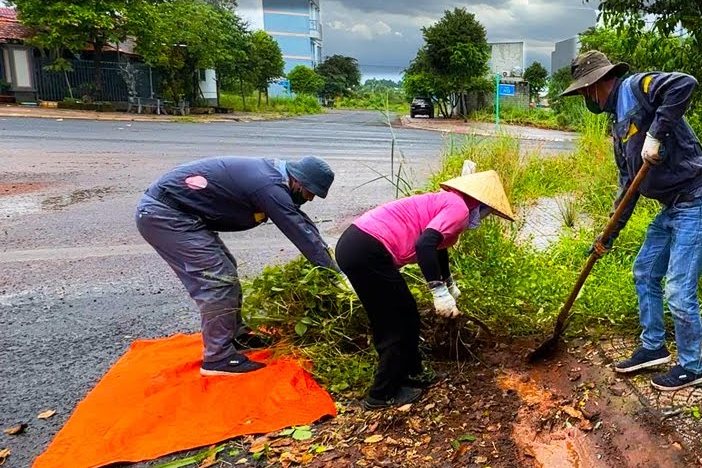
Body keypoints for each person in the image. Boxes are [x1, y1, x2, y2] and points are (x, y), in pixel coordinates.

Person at [560, 51, 702, 391]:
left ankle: (692, 367)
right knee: (645, 271)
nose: (585, 98)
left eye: (584, 91)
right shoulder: (618, 130)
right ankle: (653, 347)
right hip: (671, 207)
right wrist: (609, 235)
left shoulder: (638, 88)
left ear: (598, 83)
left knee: (678, 290)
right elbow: (628, 188)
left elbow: (684, 84)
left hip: (698, 201)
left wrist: (657, 133)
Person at [136, 156, 339, 376]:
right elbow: (298, 232)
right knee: (217, 281)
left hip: (183, 215)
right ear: (299, 182)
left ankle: (234, 335)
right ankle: (217, 359)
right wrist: (335, 274)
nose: (309, 199)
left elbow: (302, 222)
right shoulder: (268, 186)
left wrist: (329, 257)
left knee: (227, 269)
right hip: (166, 216)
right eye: (310, 193)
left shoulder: (276, 180)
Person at [335, 170, 514, 410]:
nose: (484, 216)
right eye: (487, 211)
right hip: (367, 251)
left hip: (360, 244)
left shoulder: (449, 201)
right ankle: (381, 395)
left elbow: (438, 247)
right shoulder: (458, 209)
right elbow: (424, 244)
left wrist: (449, 282)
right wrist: (438, 291)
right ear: (479, 203)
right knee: (393, 323)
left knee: (408, 313)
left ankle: (411, 374)